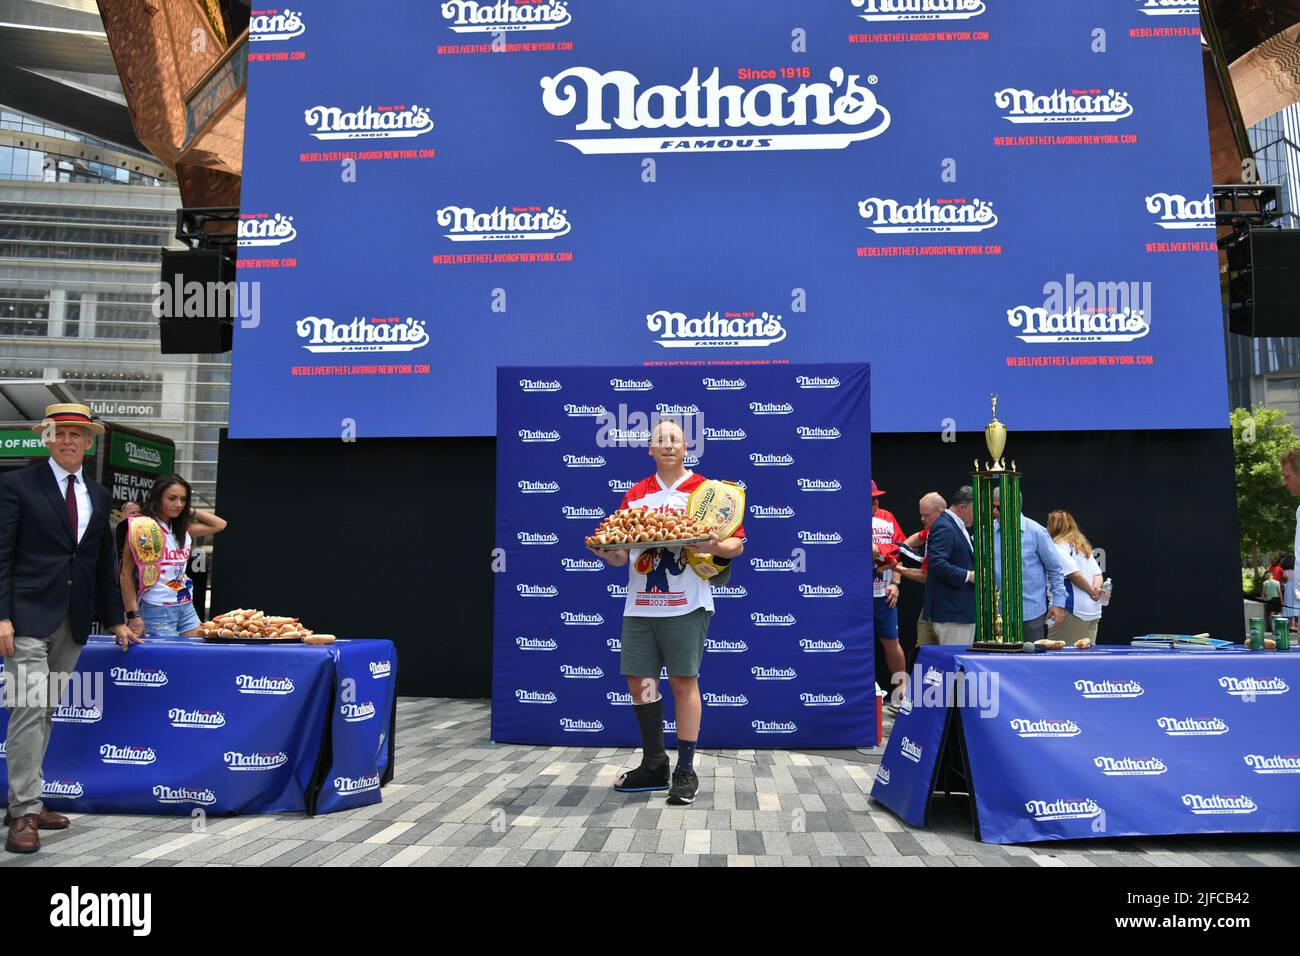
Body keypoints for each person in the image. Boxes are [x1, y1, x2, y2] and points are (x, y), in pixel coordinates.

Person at [588, 418, 744, 806]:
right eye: (661, 439)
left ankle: (686, 769)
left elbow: (736, 545)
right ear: (650, 449)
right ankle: (655, 762)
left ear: (686, 446)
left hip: (686, 602)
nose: (669, 445)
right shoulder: (637, 494)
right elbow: (621, 553)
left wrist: (715, 544)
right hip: (640, 604)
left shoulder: (707, 491)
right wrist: (607, 551)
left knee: (682, 683)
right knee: (640, 682)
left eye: (675, 438)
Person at [0, 403, 133, 854]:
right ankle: (23, 812)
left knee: (46, 712)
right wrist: (1, 615)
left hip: (72, 622)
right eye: (61, 433)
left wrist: (116, 618)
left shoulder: (97, 494)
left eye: (79, 434)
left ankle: (26, 799)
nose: (69, 440)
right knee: (29, 709)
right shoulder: (17, 485)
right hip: (26, 620)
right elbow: (2, 555)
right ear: (47, 438)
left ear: (90, 442)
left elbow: (101, 564)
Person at [119, 474, 226, 638]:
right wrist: (133, 614)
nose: (178, 504)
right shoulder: (142, 527)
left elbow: (220, 524)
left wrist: (188, 509)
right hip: (155, 606)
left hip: (185, 604)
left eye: (183, 499)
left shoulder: (180, 528)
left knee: (195, 655)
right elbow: (126, 574)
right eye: (172, 498)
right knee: (165, 661)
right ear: (157, 497)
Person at [991, 488, 1067, 643]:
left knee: (1030, 664)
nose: (994, 511)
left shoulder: (1037, 532)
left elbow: (1054, 568)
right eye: (993, 506)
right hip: (996, 615)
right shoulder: (987, 532)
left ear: (1012, 507)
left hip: (1030, 613)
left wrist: (1058, 603)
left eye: (998, 507)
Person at [923, 485, 976, 645]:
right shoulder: (945, 527)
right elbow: (937, 563)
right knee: (956, 667)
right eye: (976, 510)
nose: (979, 515)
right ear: (962, 508)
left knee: (958, 666)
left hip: (959, 611)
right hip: (953, 613)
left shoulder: (955, 526)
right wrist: (968, 576)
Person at [869, 481, 907, 703]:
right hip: (857, 595)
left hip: (884, 593)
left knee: (891, 640)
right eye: (871, 498)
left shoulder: (887, 517)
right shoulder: (849, 519)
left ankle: (902, 691)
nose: (875, 502)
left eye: (877, 498)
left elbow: (900, 553)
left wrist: (896, 584)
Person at [1047, 510, 1104, 646]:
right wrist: (1095, 591)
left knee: (1059, 659)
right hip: (1093, 611)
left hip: (1072, 611)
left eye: (1048, 525)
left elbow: (1074, 574)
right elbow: (1098, 575)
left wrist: (1092, 591)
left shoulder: (1058, 547)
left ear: (1053, 527)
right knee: (1085, 661)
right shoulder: (1083, 547)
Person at [897, 492, 946, 650]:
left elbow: (926, 576)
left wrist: (897, 567)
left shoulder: (945, 534)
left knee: (947, 655)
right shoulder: (931, 530)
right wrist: (900, 550)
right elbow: (918, 536)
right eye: (921, 515)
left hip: (949, 608)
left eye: (926, 515)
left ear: (940, 512)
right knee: (922, 651)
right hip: (930, 605)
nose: (922, 519)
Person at [1281, 554, 1299, 633]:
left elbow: (1284, 577)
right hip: (1296, 587)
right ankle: (1297, 625)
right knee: (1296, 604)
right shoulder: (1297, 570)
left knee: (1289, 604)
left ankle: (1291, 624)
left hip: (1288, 587)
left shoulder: (1286, 571)